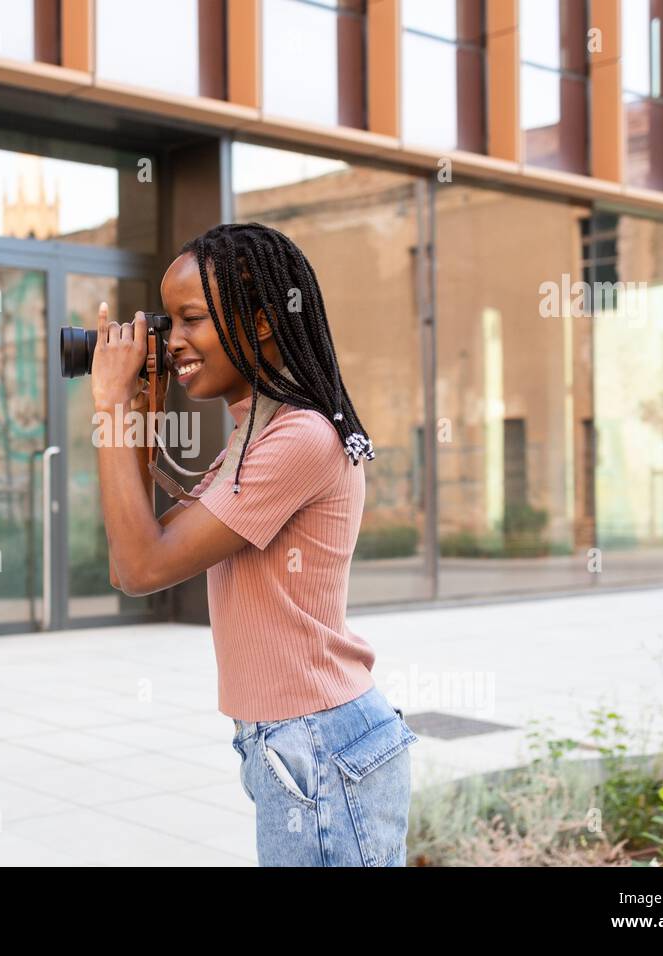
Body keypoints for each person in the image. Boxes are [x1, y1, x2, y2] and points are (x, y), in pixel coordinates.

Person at [91, 221, 419, 867]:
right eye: (169, 323)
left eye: (191, 320)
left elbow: (141, 566)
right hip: (293, 742)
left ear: (263, 320)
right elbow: (129, 555)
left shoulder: (297, 439)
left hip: (319, 742)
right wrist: (135, 414)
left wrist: (109, 406)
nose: (174, 341)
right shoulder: (256, 432)